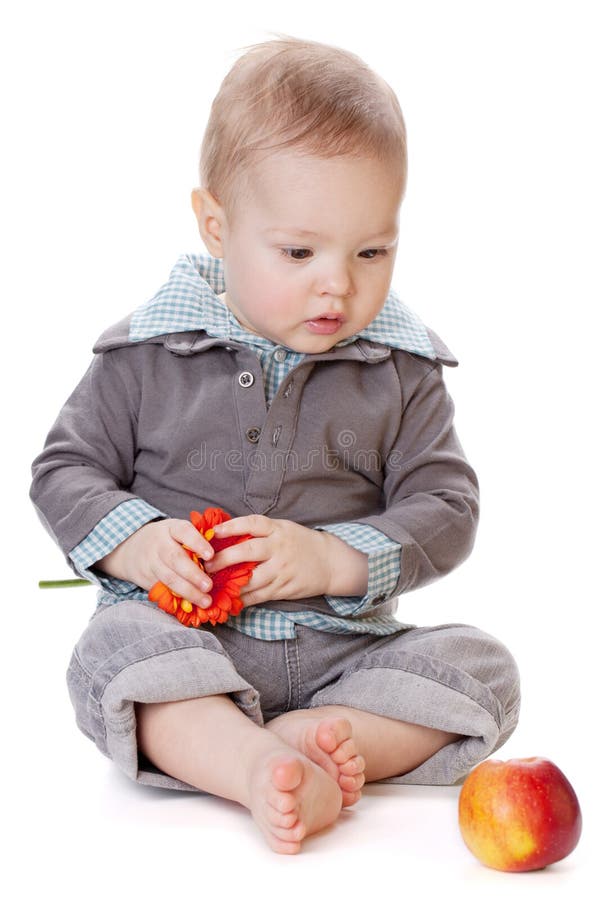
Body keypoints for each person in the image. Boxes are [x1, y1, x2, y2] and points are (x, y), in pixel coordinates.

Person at [30, 36, 520, 855]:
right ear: (217, 225)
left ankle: (334, 736)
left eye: (373, 251)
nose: (339, 283)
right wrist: (139, 546)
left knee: (486, 667)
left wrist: (337, 560)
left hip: (345, 653)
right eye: (299, 252)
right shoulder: (149, 355)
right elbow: (64, 469)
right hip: (184, 643)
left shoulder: (401, 371)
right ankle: (250, 760)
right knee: (115, 654)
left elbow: (449, 505)